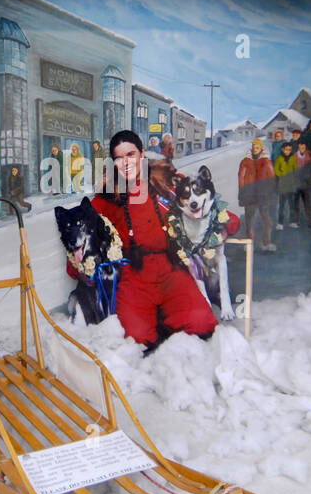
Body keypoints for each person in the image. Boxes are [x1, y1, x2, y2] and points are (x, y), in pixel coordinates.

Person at [65, 130, 216, 351]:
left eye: (131, 154)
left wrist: (223, 224)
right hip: (134, 272)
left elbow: (204, 206)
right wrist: (77, 264)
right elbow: (82, 228)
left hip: (171, 268)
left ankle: (169, 320)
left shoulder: (166, 182)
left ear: (142, 153)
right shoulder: (109, 196)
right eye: (119, 158)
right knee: (135, 338)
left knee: (200, 323)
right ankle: (155, 326)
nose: (125, 163)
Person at [239, 138, 277, 251]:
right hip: (249, 195)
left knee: (267, 220)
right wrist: (242, 192)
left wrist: (270, 193)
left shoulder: (266, 161)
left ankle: (266, 242)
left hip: (262, 195)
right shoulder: (245, 161)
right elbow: (240, 177)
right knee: (249, 221)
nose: (255, 150)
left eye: (257, 148)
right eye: (254, 147)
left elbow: (271, 179)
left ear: (261, 148)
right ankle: (249, 243)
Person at [274, 140, 300, 229]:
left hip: (291, 185)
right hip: (282, 185)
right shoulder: (279, 158)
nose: (288, 151)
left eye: (289, 150)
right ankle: (280, 223)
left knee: (291, 205)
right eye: (286, 150)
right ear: (282, 149)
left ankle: (292, 222)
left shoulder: (293, 158)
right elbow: (276, 170)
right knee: (282, 205)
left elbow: (295, 169)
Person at [294, 139, 311, 225]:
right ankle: (296, 220)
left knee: (307, 203)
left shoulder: (309, 155)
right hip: (296, 183)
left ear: (305, 147)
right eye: (300, 146)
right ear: (298, 147)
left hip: (306, 183)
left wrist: (309, 180)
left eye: (303, 146)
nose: (302, 148)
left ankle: (309, 221)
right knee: (296, 203)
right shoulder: (294, 156)